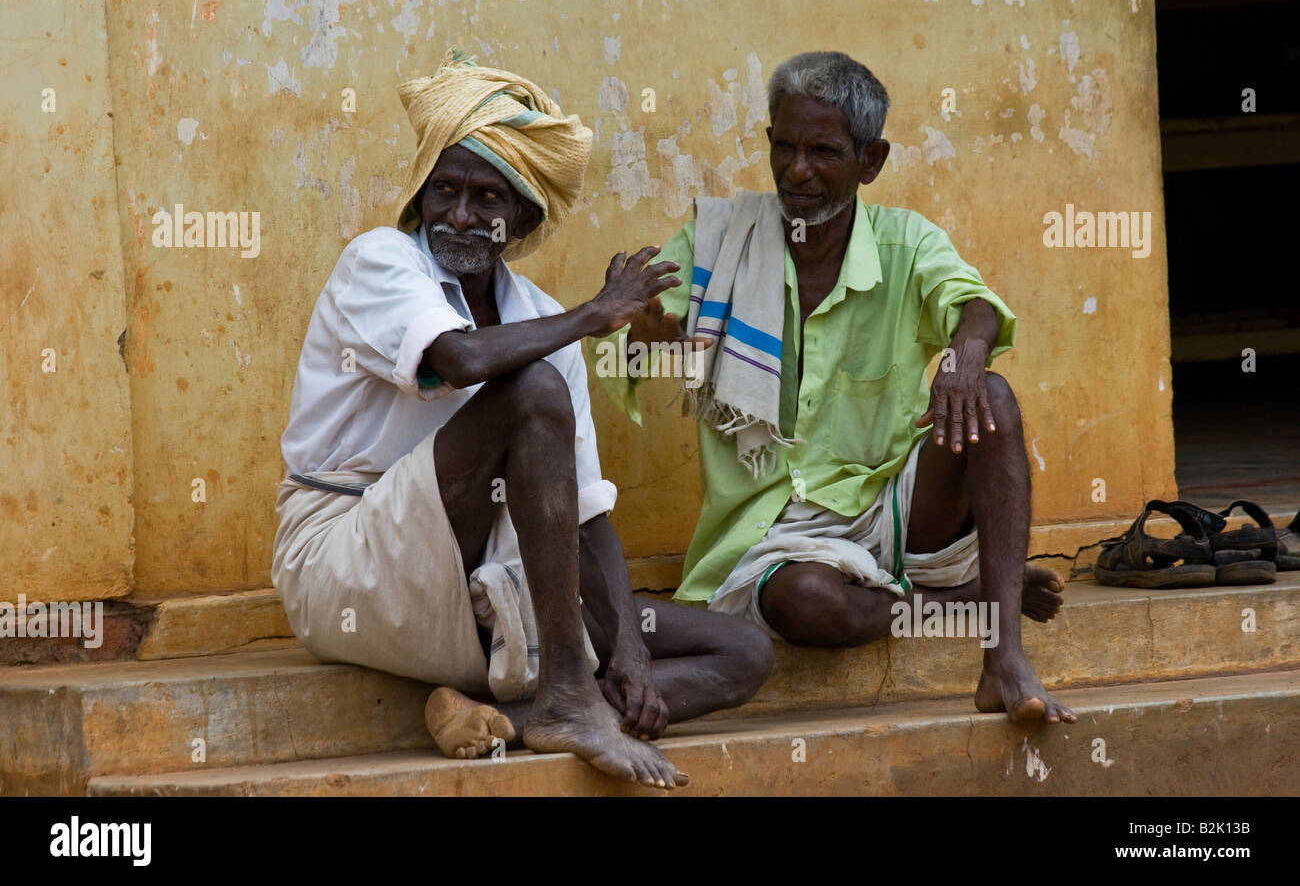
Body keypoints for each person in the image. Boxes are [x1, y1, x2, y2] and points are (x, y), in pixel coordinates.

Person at [272, 50, 774, 790]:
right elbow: (461, 360)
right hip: (350, 571)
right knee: (532, 388)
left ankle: (506, 709)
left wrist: (632, 654)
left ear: (525, 216)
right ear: (420, 195)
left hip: (485, 590)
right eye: (443, 190)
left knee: (743, 654)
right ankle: (569, 697)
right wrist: (593, 316)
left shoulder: (539, 315)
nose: (461, 214)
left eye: (487, 197)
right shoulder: (379, 261)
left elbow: (588, 511)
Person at [601, 50, 1074, 723]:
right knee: (809, 605)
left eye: (822, 151)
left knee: (992, 395)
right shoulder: (717, 243)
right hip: (771, 532)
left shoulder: (904, 242)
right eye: (785, 147)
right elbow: (630, 353)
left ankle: (1004, 657)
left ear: (870, 161)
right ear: (768, 143)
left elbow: (976, 307)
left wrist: (965, 357)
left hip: (889, 503)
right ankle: (967, 603)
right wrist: (651, 342)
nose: (798, 170)